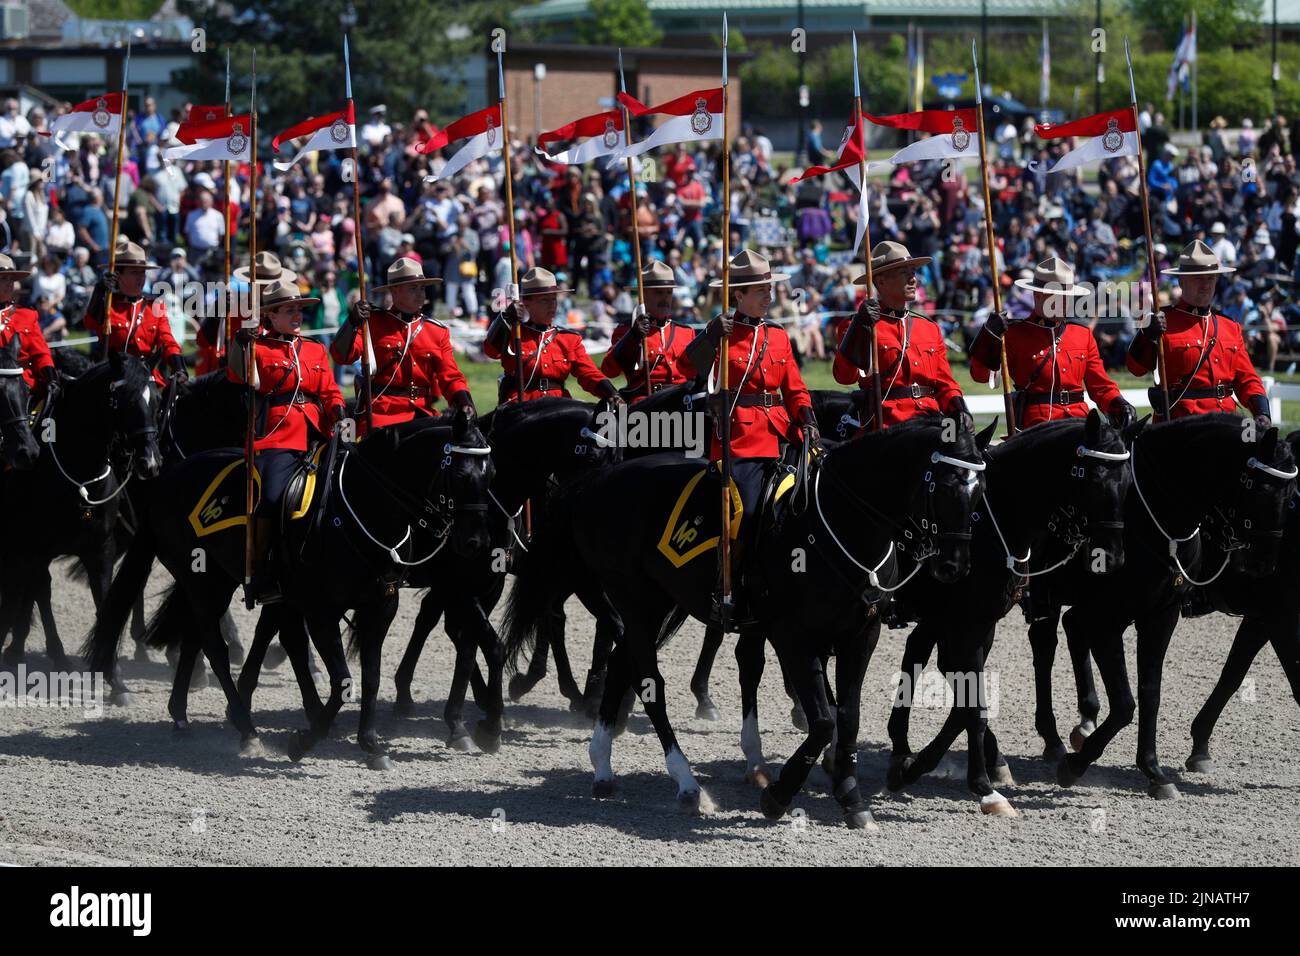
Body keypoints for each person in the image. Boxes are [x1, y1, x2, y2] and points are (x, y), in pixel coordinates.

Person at [679, 249, 818, 563]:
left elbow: (795, 388)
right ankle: (733, 576)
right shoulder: (722, 335)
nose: (769, 295)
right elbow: (686, 368)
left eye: (770, 288)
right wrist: (711, 335)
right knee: (749, 512)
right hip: (740, 439)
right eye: (760, 290)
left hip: (783, 433)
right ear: (738, 294)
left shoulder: (779, 336)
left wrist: (807, 418)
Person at [228, 277, 345, 605]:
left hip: (319, 431)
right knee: (276, 496)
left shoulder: (315, 349)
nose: (297, 316)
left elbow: (330, 391)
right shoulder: (258, 348)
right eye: (289, 310)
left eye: (299, 310)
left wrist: (338, 409)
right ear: (270, 315)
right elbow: (238, 377)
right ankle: (260, 568)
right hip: (278, 435)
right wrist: (241, 345)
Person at [969, 257, 1135, 431]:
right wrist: (989, 336)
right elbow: (980, 375)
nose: (1066, 303)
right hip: (1036, 428)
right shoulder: (1013, 334)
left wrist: (1118, 403)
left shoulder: (1082, 334)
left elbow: (1100, 387)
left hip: (1078, 424)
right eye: (1059, 296)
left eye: (1068, 296)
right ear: (1038, 296)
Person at [1126, 240, 1271, 426]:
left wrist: (1262, 412)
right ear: (1181, 281)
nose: (1205, 285)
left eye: (1210, 278)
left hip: (1226, 422)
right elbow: (1135, 369)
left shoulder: (1230, 327)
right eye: (1198, 278)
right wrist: (1146, 335)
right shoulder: (1162, 322)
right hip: (1181, 425)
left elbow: (1247, 379)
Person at [330, 257, 475, 436]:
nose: (421, 294)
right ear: (394, 292)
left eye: (422, 288)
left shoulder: (436, 331)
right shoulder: (372, 324)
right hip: (382, 413)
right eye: (413, 288)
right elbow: (341, 357)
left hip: (422, 413)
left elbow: (450, 377)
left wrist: (464, 401)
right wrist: (352, 322)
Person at [834, 241, 970, 431]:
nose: (913, 279)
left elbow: (946, 384)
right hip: (887, 425)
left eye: (913, 272)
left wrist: (960, 410)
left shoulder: (929, 328)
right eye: (904, 273)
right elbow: (844, 377)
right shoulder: (855, 325)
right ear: (880, 281)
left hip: (931, 422)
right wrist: (860, 326)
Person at [484, 267, 625, 406]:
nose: (552, 305)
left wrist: (611, 393)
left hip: (558, 406)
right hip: (521, 405)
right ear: (526, 303)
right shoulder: (515, 334)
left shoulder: (569, 339)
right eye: (545, 300)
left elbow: (589, 374)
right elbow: (491, 351)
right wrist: (506, 318)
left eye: (554, 299)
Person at [83, 239, 186, 387]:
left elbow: (167, 341)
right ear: (118, 275)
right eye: (134, 272)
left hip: (146, 377)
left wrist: (180, 368)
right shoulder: (107, 305)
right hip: (113, 378)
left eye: (142, 272)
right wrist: (99, 291)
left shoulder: (154, 306)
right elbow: (90, 323)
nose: (141, 277)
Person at [600, 260, 694, 400]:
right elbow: (609, 370)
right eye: (658, 293)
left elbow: (698, 374)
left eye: (668, 292)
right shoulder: (626, 330)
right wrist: (632, 336)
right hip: (644, 406)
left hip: (682, 404)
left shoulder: (686, 332)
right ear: (642, 295)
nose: (665, 298)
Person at [0, 253, 57, 399]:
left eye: (11, 279)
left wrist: (51, 378)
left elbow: (41, 353)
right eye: (4, 278)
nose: (10, 283)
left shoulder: (26, 315)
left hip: (23, 387)